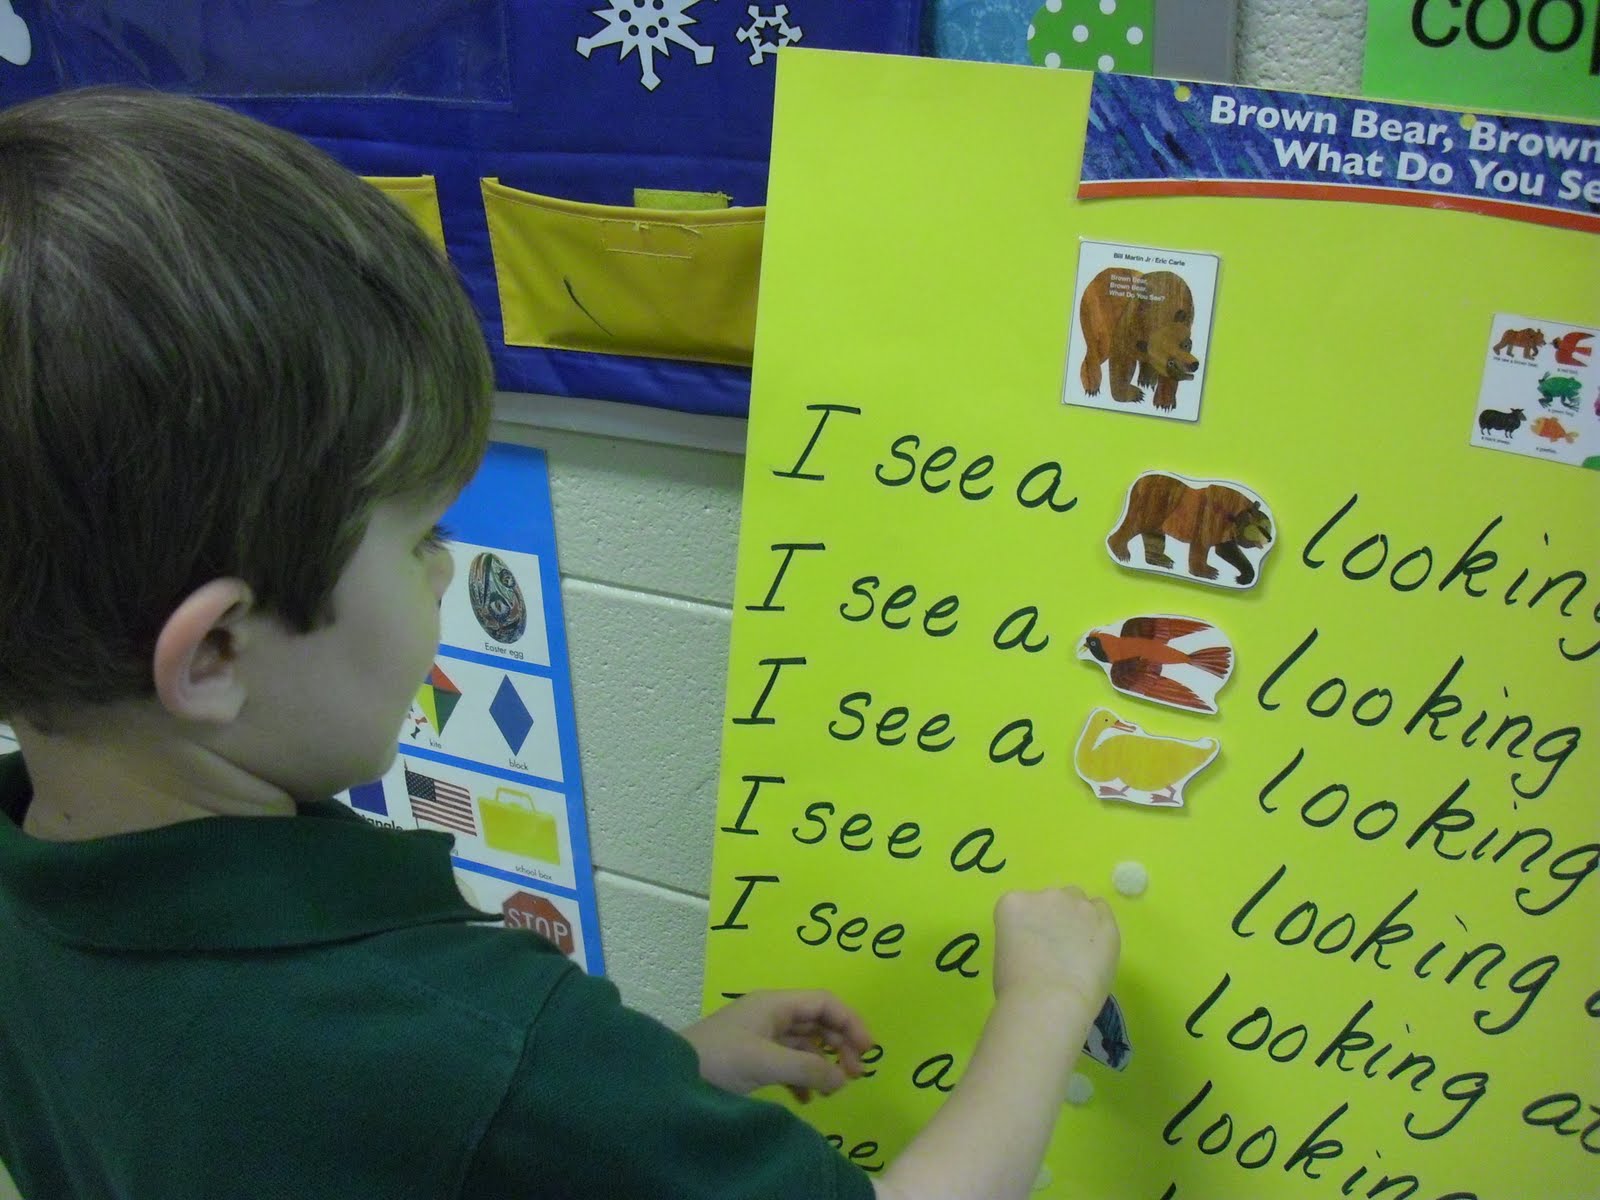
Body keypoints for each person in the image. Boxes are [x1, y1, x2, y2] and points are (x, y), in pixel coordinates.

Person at [0, 87, 1120, 1199]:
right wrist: (1043, 1006)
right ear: (217, 658)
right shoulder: (476, 1042)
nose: (445, 570)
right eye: (420, 537)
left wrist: (660, 1078)